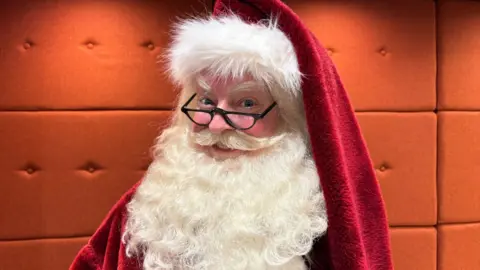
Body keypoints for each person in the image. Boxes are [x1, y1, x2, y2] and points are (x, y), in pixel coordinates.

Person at [70, 0, 394, 269]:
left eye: (247, 103)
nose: (216, 125)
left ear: (288, 117)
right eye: (207, 101)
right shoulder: (145, 208)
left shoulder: (318, 214)